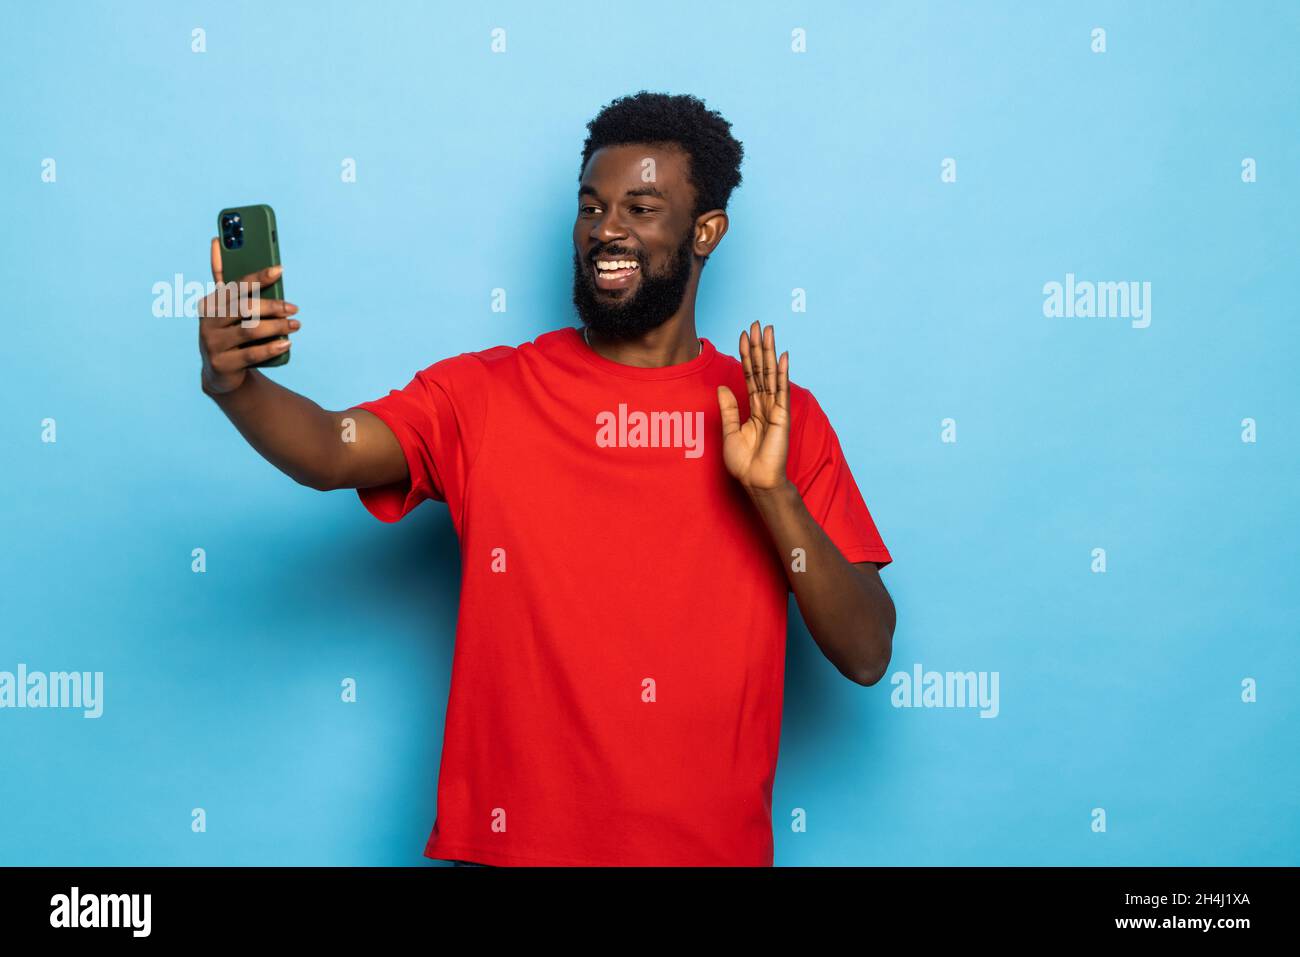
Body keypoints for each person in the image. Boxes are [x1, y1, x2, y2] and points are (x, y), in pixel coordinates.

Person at [197, 91, 896, 867]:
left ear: (706, 231)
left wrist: (775, 495)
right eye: (591, 206)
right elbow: (332, 447)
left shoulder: (775, 416)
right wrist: (238, 386)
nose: (608, 231)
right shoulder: (487, 394)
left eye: (641, 206)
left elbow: (867, 651)